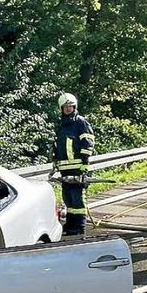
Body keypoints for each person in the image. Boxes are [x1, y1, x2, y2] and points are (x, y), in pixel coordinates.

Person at [53, 93, 95, 235]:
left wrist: (84, 163)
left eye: (70, 107)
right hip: (64, 169)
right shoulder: (61, 125)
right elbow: (57, 145)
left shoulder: (81, 123)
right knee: (68, 198)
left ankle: (80, 226)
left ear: (74, 107)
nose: (68, 109)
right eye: (65, 107)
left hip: (78, 168)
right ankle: (70, 225)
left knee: (78, 199)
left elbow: (88, 142)